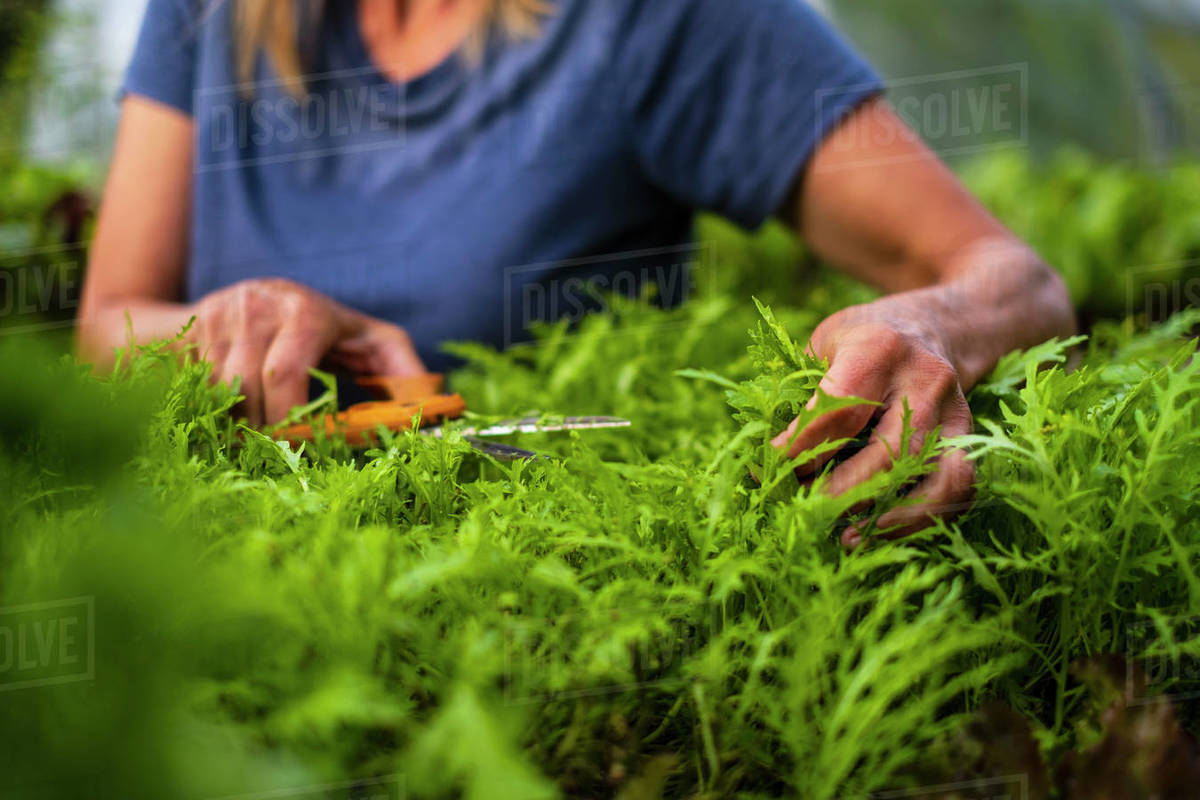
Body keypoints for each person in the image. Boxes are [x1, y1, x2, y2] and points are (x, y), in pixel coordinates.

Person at [77, 0, 1075, 546]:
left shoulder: (662, 21)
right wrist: (222, 324)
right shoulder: (207, 16)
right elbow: (107, 320)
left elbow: (1009, 276)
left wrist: (931, 326)